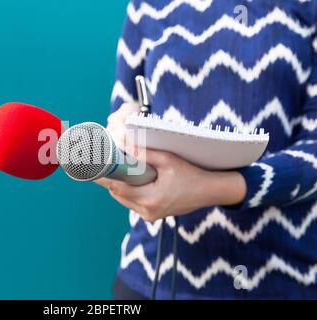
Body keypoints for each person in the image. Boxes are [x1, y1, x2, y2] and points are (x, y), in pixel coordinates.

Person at [96, 0, 317, 299]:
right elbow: (126, 103)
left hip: (281, 281)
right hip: (150, 276)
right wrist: (125, 128)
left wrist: (210, 188)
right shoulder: (145, 6)